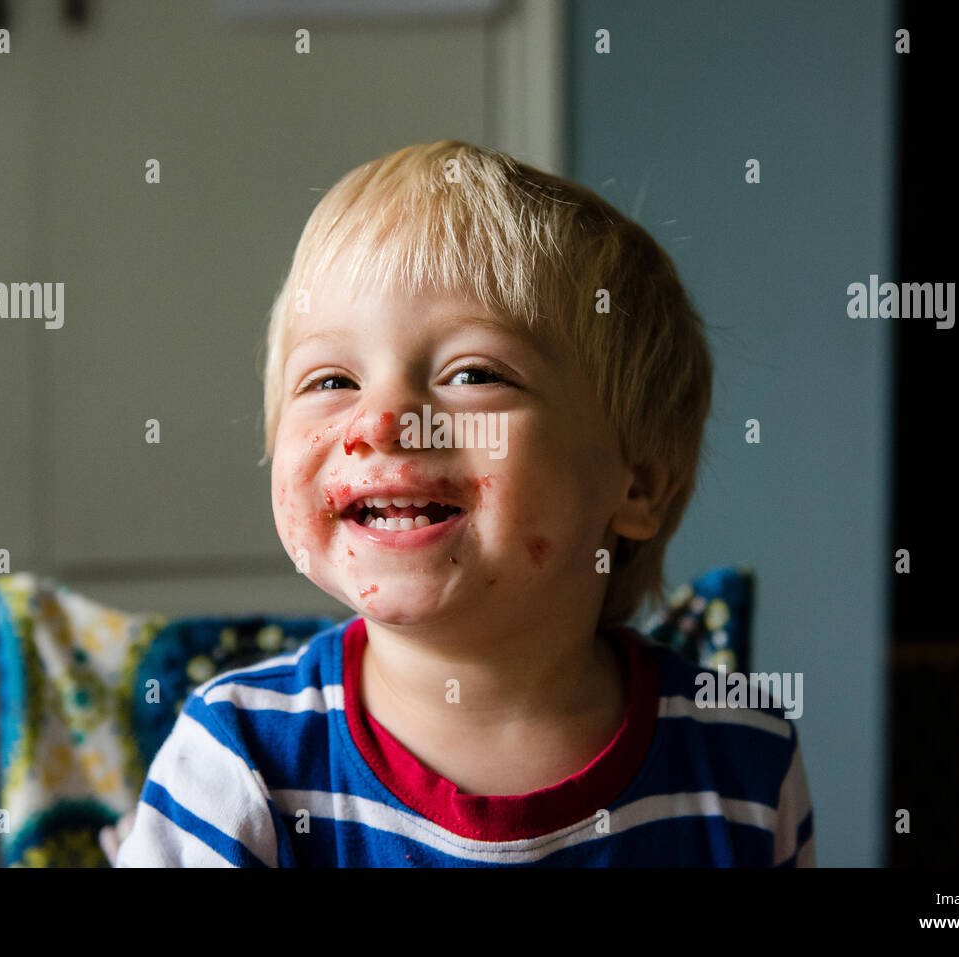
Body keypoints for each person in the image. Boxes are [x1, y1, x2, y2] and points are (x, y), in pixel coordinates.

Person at [113, 140, 814, 866]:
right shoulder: (236, 764)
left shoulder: (746, 766)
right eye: (330, 382)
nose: (382, 422)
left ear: (636, 483)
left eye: (474, 373)